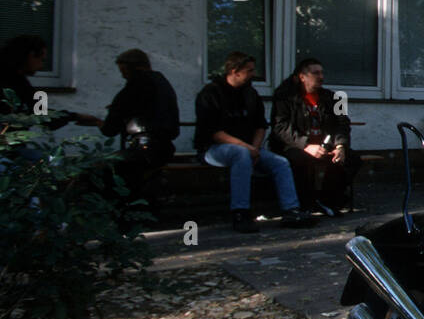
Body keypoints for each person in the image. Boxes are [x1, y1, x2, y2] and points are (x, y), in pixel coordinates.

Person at [194, 52, 313, 232]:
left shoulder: (250, 94)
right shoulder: (210, 94)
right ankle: (240, 212)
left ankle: (291, 210)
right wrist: (248, 148)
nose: (253, 74)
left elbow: (260, 126)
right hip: (214, 149)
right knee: (240, 154)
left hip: (248, 149)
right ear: (235, 71)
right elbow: (215, 133)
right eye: (249, 70)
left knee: (280, 163)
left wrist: (255, 148)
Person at [269, 58, 361, 214]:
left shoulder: (337, 97)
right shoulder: (283, 97)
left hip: (326, 146)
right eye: (315, 73)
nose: (321, 77)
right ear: (302, 76)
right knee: (299, 159)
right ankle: (306, 202)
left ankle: (328, 199)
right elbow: (280, 127)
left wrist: (340, 146)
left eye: (322, 72)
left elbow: (343, 123)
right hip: (296, 146)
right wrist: (306, 145)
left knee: (350, 159)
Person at [97, 48, 180, 203]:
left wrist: (97, 122)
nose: (123, 76)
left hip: (143, 149)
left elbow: (110, 128)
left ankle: (115, 213)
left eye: (124, 71)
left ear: (134, 68)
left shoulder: (136, 84)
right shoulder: (162, 82)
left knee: (102, 170)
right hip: (165, 148)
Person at [0, 34, 102, 128]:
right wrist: (75, 116)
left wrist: (74, 116)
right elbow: (40, 113)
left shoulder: (18, 80)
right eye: (42, 60)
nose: (42, 67)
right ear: (31, 55)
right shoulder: (7, 81)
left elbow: (41, 112)